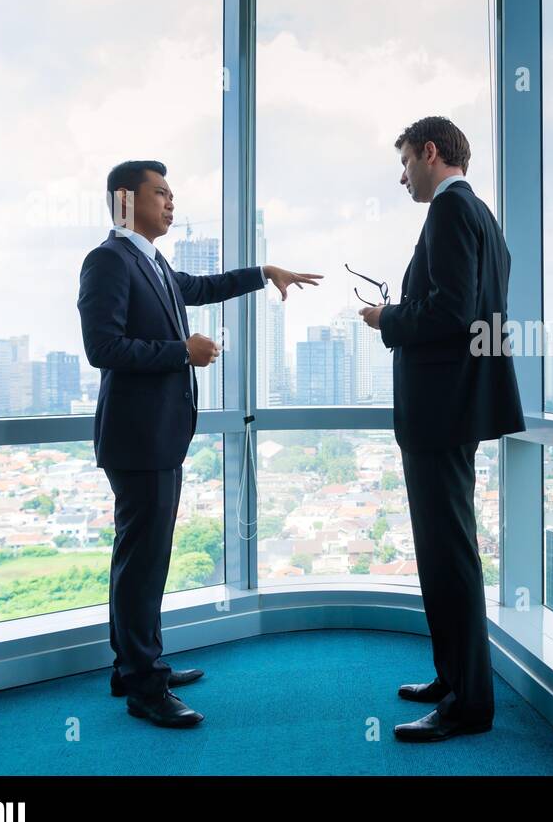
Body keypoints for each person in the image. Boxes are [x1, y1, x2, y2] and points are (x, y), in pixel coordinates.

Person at [78, 159, 321, 728]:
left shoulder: (153, 262)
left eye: (171, 194)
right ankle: (143, 684)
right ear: (123, 201)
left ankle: (135, 665)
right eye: (159, 193)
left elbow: (201, 287)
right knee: (143, 561)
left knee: (144, 557)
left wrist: (263, 272)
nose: (170, 203)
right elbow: (103, 347)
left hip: (160, 436)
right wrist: (180, 353)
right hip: (136, 439)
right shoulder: (108, 261)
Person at [359, 116, 524, 743]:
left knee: (448, 555)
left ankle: (468, 705)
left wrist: (387, 317)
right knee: (445, 551)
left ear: (431, 153)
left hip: (439, 410)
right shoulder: (482, 216)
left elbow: (453, 311)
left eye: (405, 163)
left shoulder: (451, 213)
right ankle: (453, 678)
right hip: (457, 408)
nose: (402, 177)